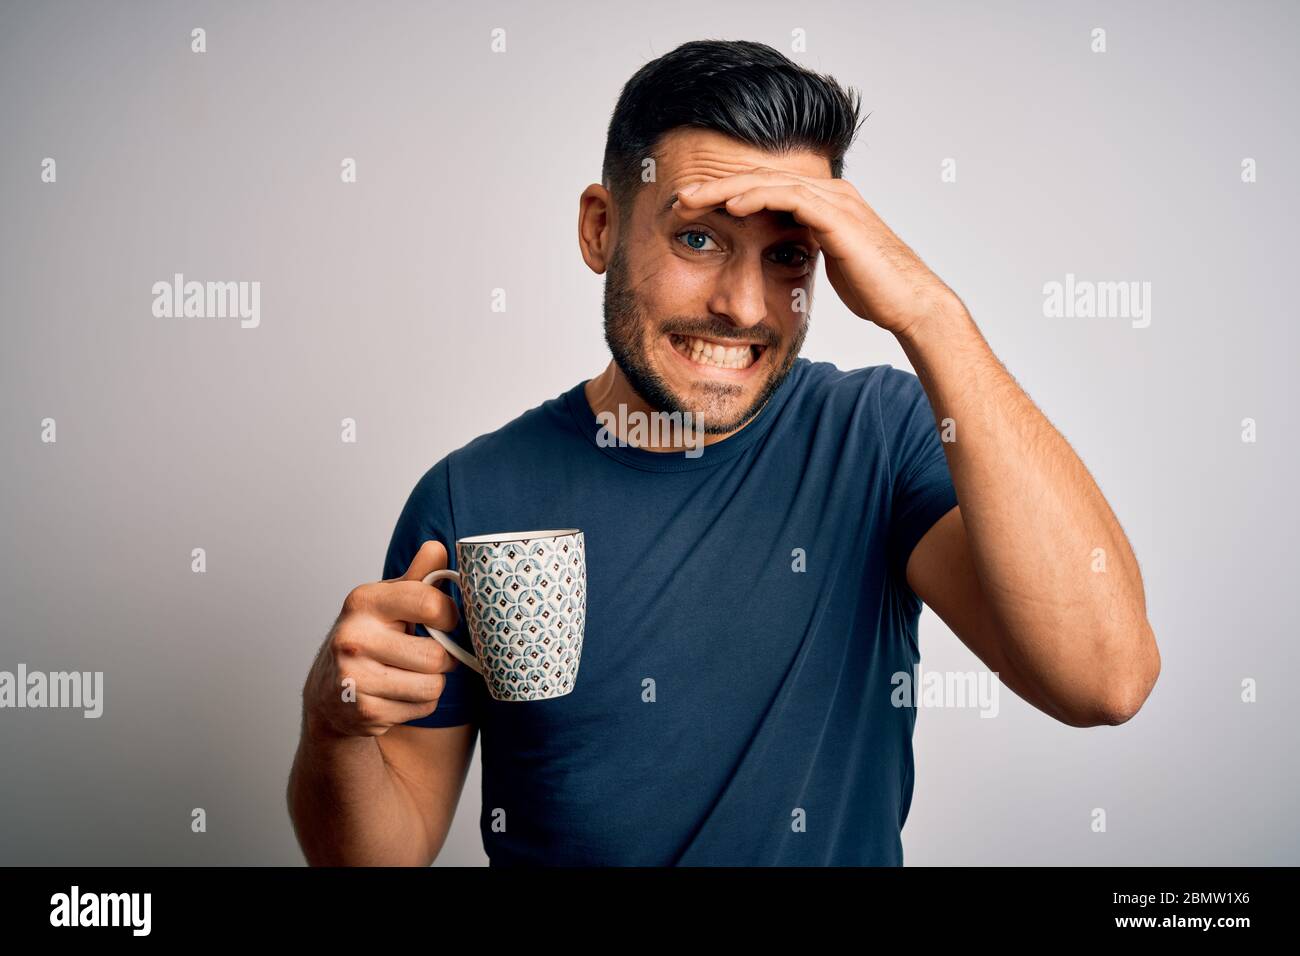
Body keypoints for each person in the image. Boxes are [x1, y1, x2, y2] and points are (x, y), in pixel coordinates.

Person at [288, 39, 1160, 866]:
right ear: (600, 228)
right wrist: (333, 728)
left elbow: (1104, 681)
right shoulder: (471, 492)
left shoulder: (882, 440)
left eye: (788, 255)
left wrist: (929, 313)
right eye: (698, 239)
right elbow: (377, 852)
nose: (745, 307)